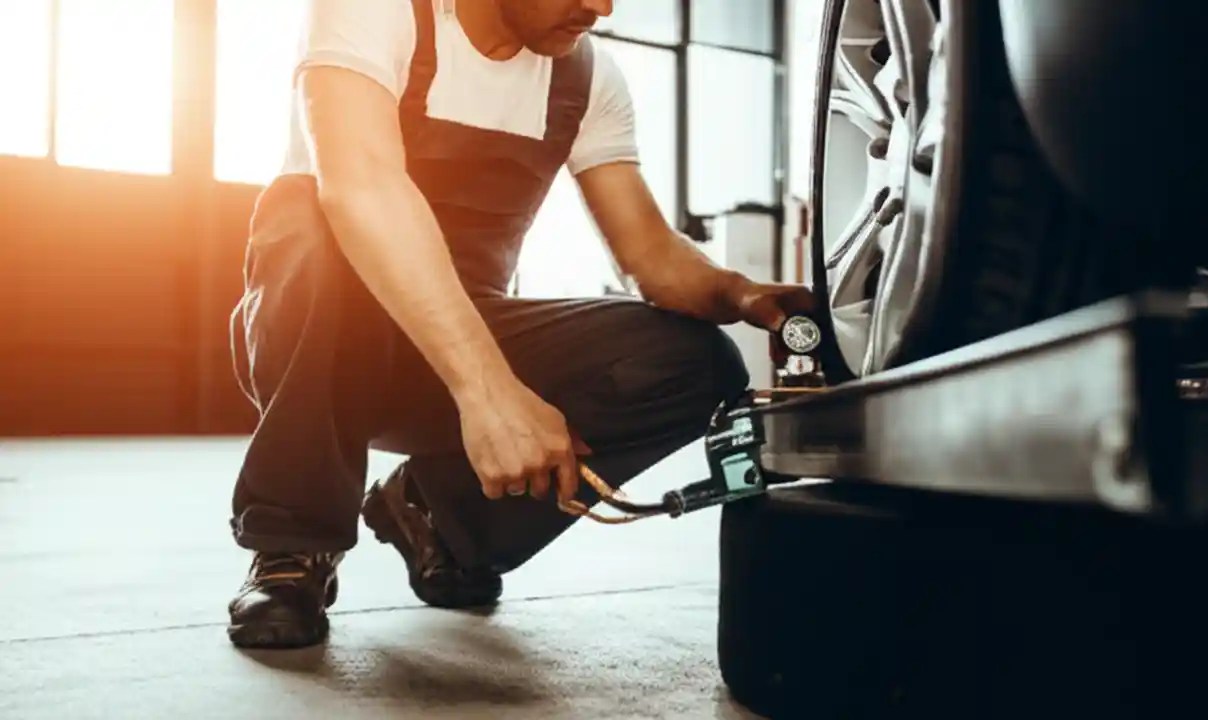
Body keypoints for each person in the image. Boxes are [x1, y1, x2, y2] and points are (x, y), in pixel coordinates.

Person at [226, 0, 815, 649]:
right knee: (316, 223)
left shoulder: (586, 77)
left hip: (453, 350)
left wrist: (741, 292)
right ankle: (292, 551)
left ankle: (439, 517)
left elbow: (649, 254)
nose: (602, 7)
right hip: (316, 342)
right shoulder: (375, 11)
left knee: (696, 362)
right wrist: (488, 390)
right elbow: (360, 185)